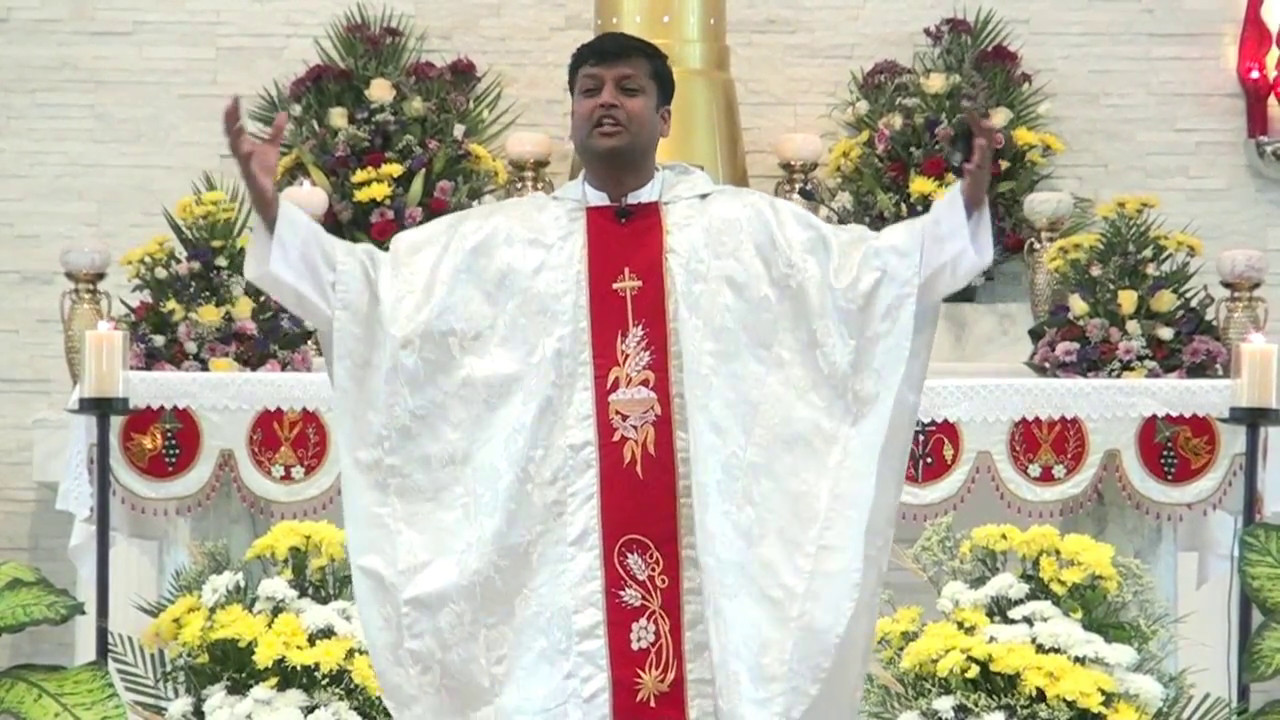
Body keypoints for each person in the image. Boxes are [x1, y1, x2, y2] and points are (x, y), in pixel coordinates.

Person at [226, 30, 997, 720]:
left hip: (703, 585)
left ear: (664, 118)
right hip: (564, 607)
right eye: (590, 89)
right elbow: (370, 294)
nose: (606, 101)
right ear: (570, 114)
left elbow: (870, 278)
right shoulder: (504, 242)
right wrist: (270, 206)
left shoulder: (740, 228)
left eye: (629, 89)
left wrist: (964, 201)